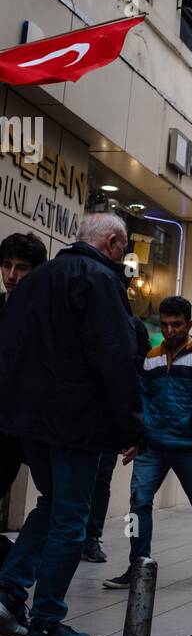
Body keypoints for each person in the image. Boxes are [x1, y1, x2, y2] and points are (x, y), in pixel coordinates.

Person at [0, 215, 142, 636]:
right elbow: (115, 358)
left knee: (52, 503)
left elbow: (11, 350)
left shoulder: (38, 280)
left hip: (30, 423)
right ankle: (46, 624)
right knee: (70, 517)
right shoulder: (100, 280)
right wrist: (131, 426)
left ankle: (8, 593)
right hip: (76, 423)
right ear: (114, 242)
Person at [103, 296, 192, 588]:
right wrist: (138, 436)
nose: (170, 330)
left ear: (189, 324)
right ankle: (138, 564)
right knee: (138, 504)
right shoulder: (152, 357)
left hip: (189, 445)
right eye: (164, 324)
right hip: (153, 445)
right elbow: (143, 398)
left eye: (176, 324)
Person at [81, 317, 153, 563]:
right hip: (76, 414)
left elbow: (138, 376)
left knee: (101, 478)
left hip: (109, 418)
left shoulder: (132, 325)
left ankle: (91, 537)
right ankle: (74, 535)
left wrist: (132, 427)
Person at [0, 231, 48, 567]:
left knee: (57, 498)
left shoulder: (43, 316)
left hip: (26, 425)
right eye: (6, 265)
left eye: (21, 267)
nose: (11, 275)